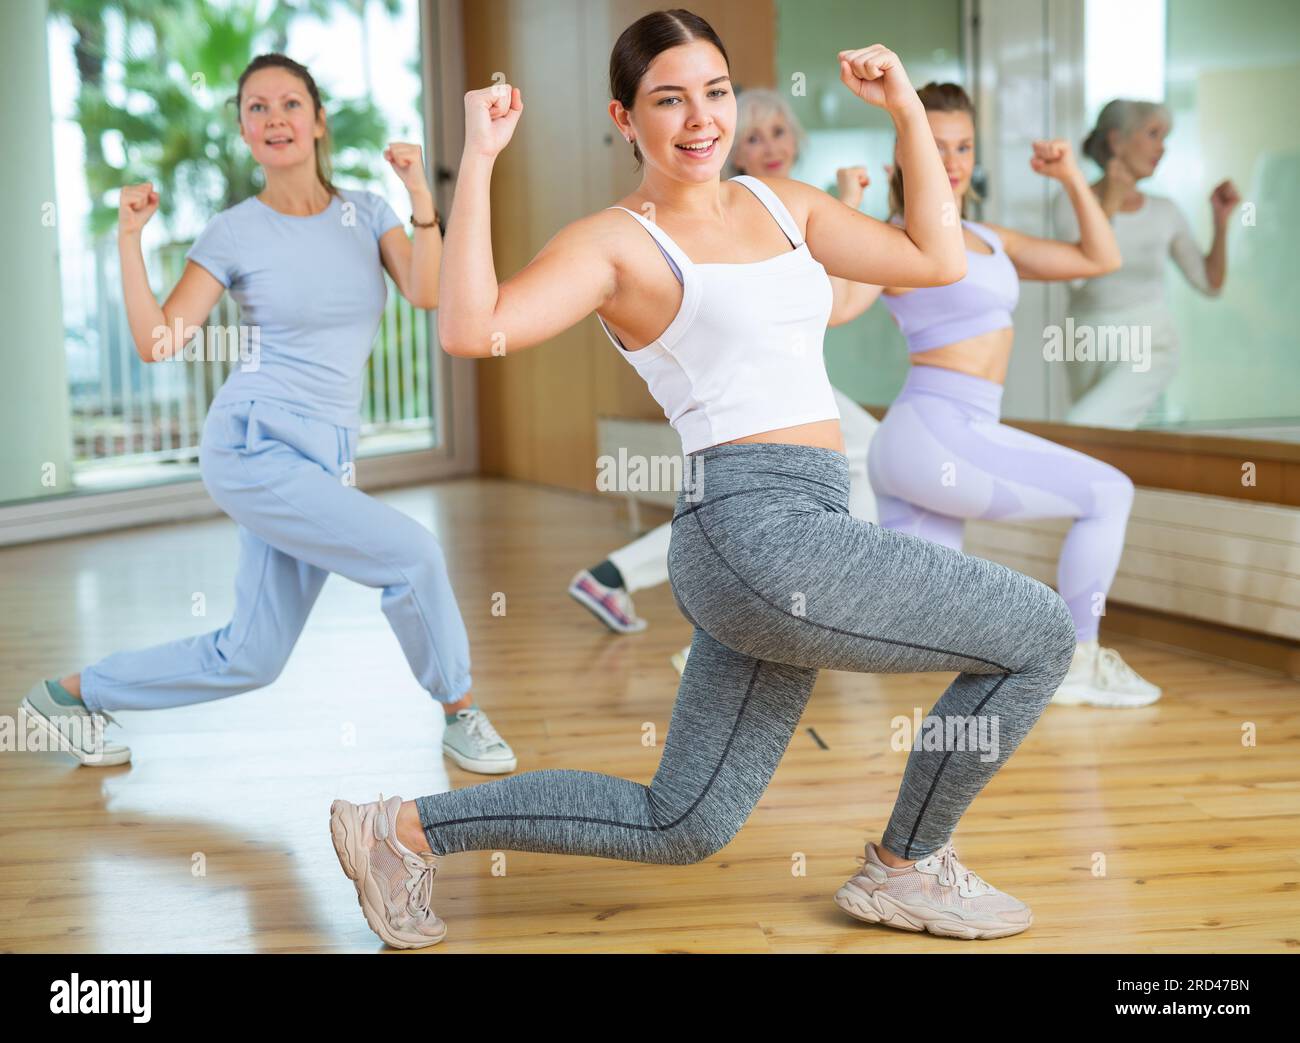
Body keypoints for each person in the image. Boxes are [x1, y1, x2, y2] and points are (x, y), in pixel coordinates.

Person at [328, 10, 1079, 949]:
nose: (699, 119)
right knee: (1039, 631)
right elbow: (469, 326)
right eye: (668, 99)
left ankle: (394, 829)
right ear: (625, 117)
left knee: (684, 820)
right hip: (755, 530)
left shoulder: (783, 204)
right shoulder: (616, 242)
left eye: (714, 93)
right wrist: (478, 157)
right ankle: (907, 867)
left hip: (790, 527)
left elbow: (933, 256)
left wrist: (906, 118)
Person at [19, 54, 515, 775]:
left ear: (317, 121)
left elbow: (427, 290)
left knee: (250, 657)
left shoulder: (368, 212)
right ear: (245, 133)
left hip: (326, 454)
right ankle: (461, 709)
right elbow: (159, 341)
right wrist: (129, 240)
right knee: (412, 554)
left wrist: (420, 197)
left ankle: (68, 696)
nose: (275, 118)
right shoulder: (234, 232)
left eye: (290, 104)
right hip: (254, 443)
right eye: (257, 108)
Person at [856, 82, 1160, 709]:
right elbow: (837, 307)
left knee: (911, 636)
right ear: (904, 154)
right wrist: (845, 206)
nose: (952, 161)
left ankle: (743, 646)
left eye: (963, 146)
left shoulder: (990, 237)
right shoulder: (893, 236)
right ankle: (1079, 658)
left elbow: (1098, 257)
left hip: (931, 442)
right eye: (934, 146)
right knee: (1109, 491)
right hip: (939, 431)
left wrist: (1071, 176)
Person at [568, 86, 884, 679]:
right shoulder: (753, 211)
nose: (768, 146)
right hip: (748, 389)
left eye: (779, 132)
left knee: (761, 499)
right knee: (844, 458)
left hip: (785, 385)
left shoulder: (798, 204)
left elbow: (851, 291)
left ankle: (621, 577)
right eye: (755, 136)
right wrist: (860, 213)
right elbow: (841, 304)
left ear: (798, 137)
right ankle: (830, 593)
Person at [1055, 98, 1238, 428]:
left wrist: (1221, 221)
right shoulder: (1072, 201)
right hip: (1085, 339)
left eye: (1165, 138)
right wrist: (1110, 198)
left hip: (1151, 341)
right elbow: (1075, 277)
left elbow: (1210, 284)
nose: (1162, 148)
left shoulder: (1165, 210)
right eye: (1153, 134)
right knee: (1102, 441)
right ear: (1116, 140)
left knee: (1081, 428)